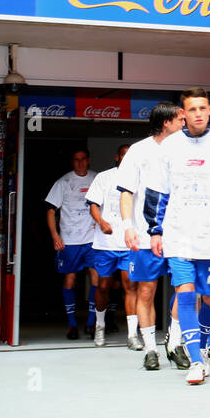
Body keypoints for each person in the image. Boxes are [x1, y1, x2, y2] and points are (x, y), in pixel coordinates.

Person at [147, 88, 210, 386]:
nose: (198, 114)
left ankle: (200, 346)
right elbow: (157, 192)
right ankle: (196, 360)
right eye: (192, 109)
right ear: (183, 114)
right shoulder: (170, 147)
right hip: (179, 233)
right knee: (185, 293)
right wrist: (155, 230)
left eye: (203, 108)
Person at [118, 102, 186, 366]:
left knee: (186, 289)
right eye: (180, 119)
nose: (185, 123)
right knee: (146, 291)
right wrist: (128, 226)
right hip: (147, 236)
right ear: (166, 122)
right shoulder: (138, 151)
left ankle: (175, 341)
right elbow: (126, 191)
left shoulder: (186, 148)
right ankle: (150, 349)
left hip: (181, 234)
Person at [46, 149, 99, 341]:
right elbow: (51, 211)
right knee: (70, 279)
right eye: (76, 160)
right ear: (72, 162)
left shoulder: (97, 179)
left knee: (97, 278)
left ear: (88, 160)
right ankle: (72, 324)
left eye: (83, 159)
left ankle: (92, 323)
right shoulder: (63, 182)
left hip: (93, 239)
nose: (80, 163)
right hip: (69, 240)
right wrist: (55, 235)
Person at [85, 146, 135, 348]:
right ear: (117, 157)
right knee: (103, 286)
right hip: (106, 243)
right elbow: (93, 204)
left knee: (130, 286)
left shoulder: (140, 176)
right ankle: (100, 326)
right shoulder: (104, 177)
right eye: (124, 154)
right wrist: (102, 222)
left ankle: (132, 335)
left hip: (129, 243)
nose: (127, 158)